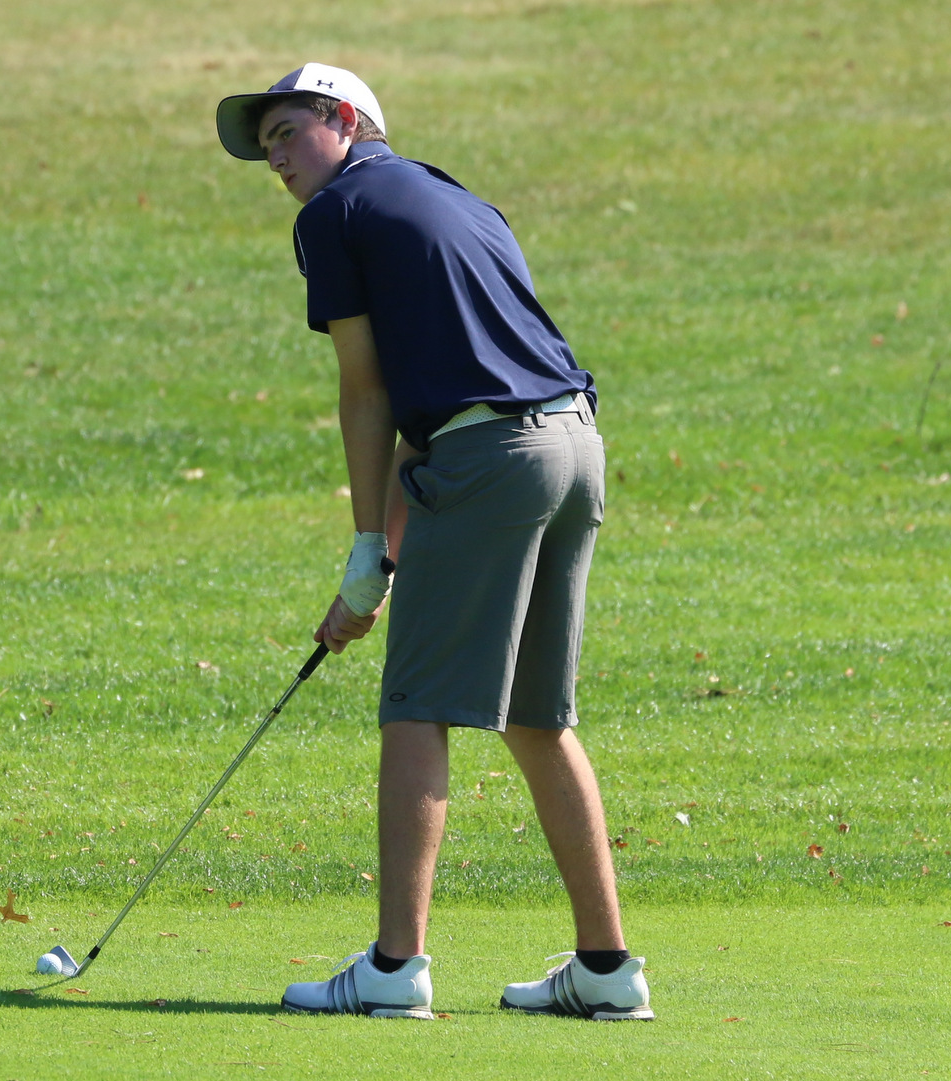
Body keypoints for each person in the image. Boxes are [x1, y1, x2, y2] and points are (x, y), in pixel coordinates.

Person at [214, 63, 652, 1022]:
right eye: (268, 146)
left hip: (494, 456)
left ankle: (393, 969)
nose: (278, 159)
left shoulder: (332, 215)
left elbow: (367, 392)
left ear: (344, 121)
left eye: (289, 132)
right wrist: (377, 568)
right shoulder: (459, 200)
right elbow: (441, 409)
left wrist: (367, 540)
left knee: (417, 705)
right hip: (573, 448)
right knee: (538, 717)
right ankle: (609, 972)